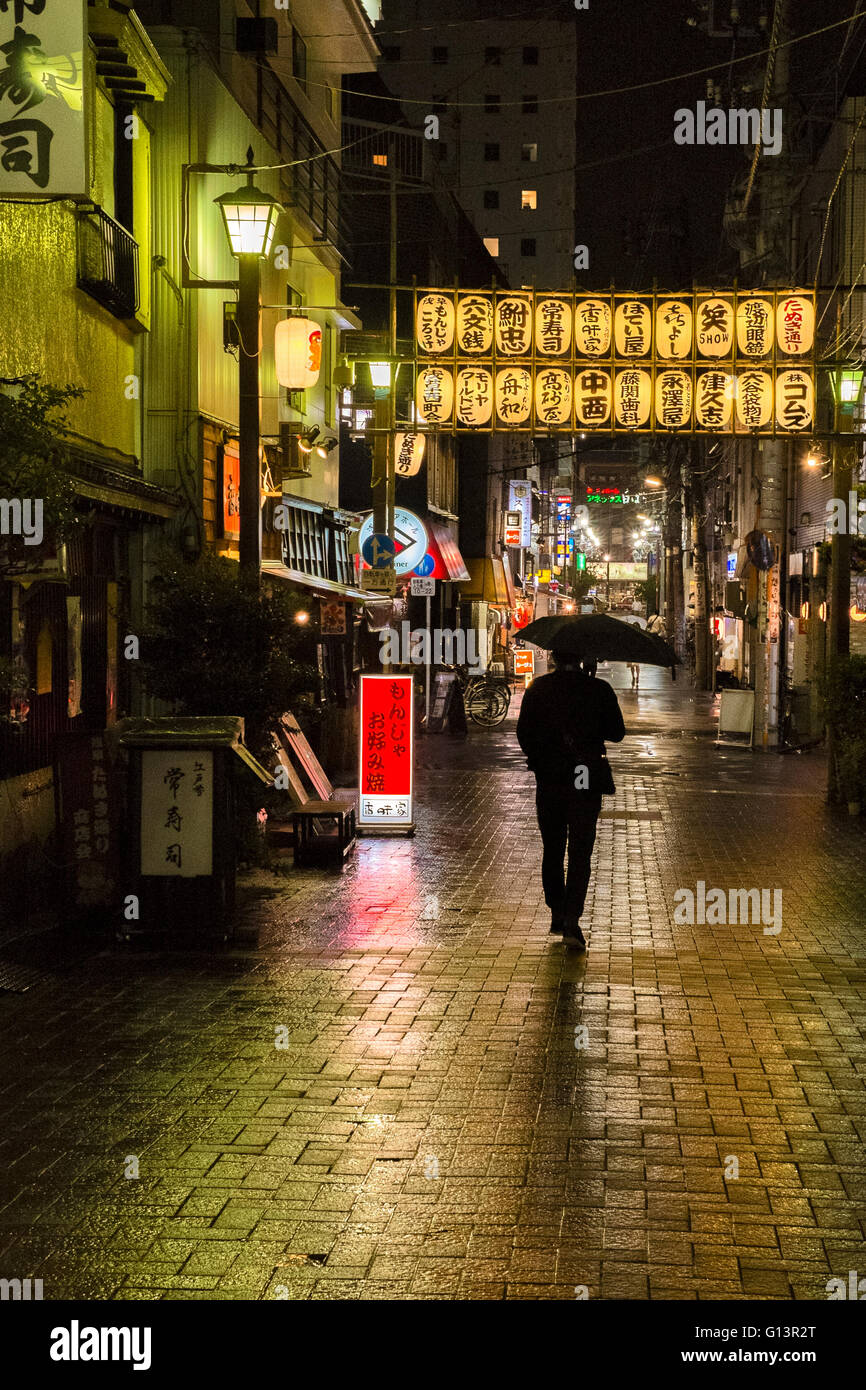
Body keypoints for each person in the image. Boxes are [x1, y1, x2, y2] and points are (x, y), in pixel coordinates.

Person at [516, 651, 626, 950]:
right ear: (584, 660)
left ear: (552, 656)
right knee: (580, 849)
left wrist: (542, 758)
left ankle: (556, 909)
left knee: (552, 847)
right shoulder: (598, 689)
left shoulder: (538, 688)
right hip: (584, 774)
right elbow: (617, 733)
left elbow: (523, 734)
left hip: (550, 775)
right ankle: (572, 919)